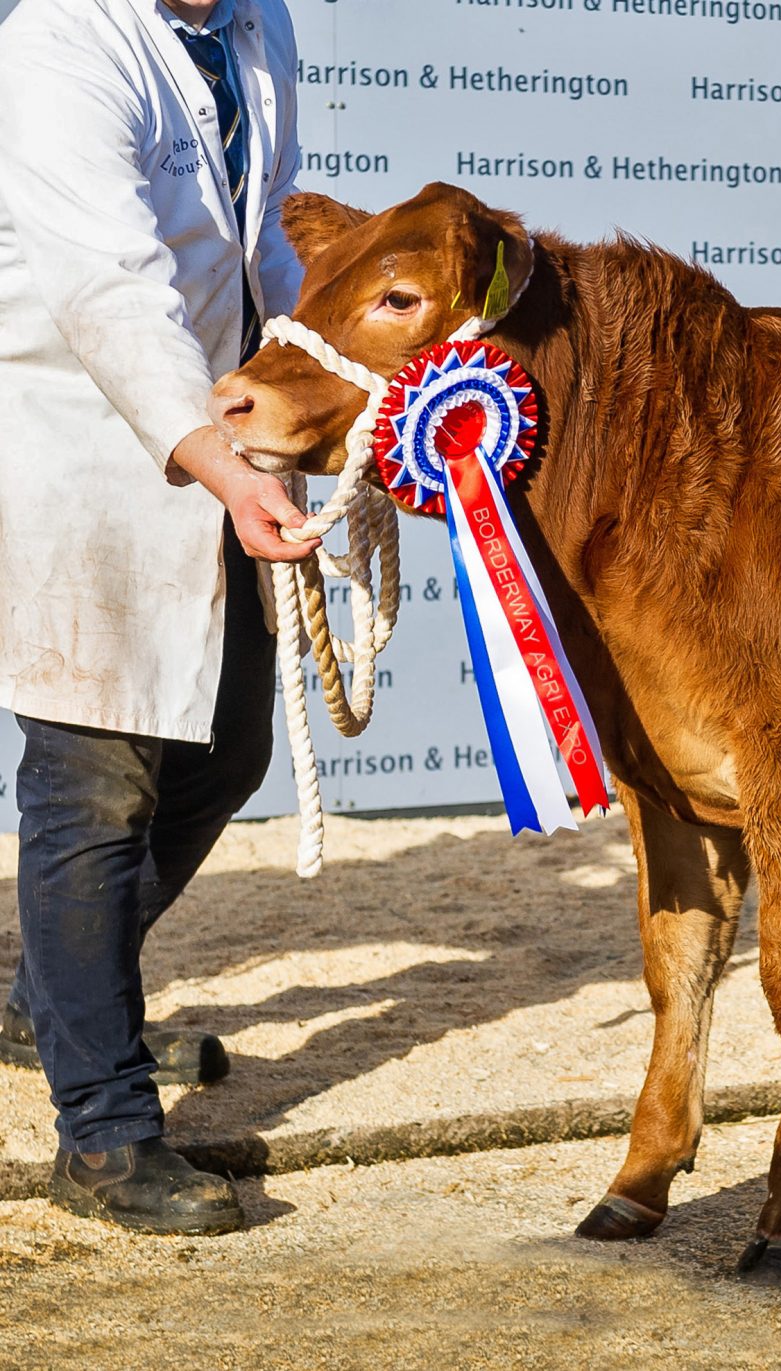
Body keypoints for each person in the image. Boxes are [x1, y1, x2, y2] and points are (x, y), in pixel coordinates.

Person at [0, 0, 313, 1234]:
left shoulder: (258, 24)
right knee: (93, 784)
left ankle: (48, 1002)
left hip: (224, 438)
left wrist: (332, 394)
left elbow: (261, 245)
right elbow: (108, 284)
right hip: (77, 442)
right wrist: (225, 466)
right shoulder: (59, 41)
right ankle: (107, 1136)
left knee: (230, 748)